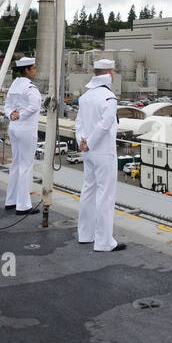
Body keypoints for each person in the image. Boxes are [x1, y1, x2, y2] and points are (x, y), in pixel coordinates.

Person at [75, 58, 125, 252]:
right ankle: (104, 241)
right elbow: (105, 124)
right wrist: (92, 142)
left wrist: (83, 141)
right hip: (103, 151)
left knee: (88, 190)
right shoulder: (109, 98)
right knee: (105, 195)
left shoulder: (86, 96)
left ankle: (85, 234)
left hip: (88, 152)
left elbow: (78, 122)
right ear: (109, 74)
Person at [4, 56, 42, 213]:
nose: (35, 71)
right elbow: (34, 106)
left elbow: (7, 105)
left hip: (13, 127)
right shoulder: (30, 88)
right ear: (26, 70)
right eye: (33, 68)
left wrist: (11, 114)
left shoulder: (14, 84)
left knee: (16, 165)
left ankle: (11, 201)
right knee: (26, 166)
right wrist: (21, 115)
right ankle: (23, 205)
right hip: (26, 129)